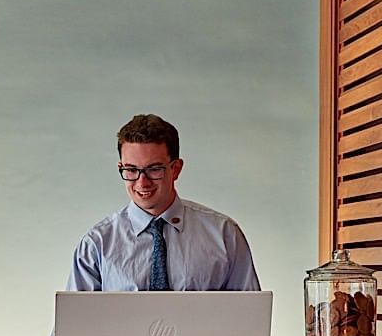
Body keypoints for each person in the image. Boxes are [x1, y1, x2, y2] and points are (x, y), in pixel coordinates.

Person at [66, 113, 259, 292]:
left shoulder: (224, 235)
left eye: (154, 169)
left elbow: (251, 320)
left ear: (176, 169)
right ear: (120, 167)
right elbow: (71, 326)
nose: (142, 182)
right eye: (131, 170)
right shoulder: (96, 244)